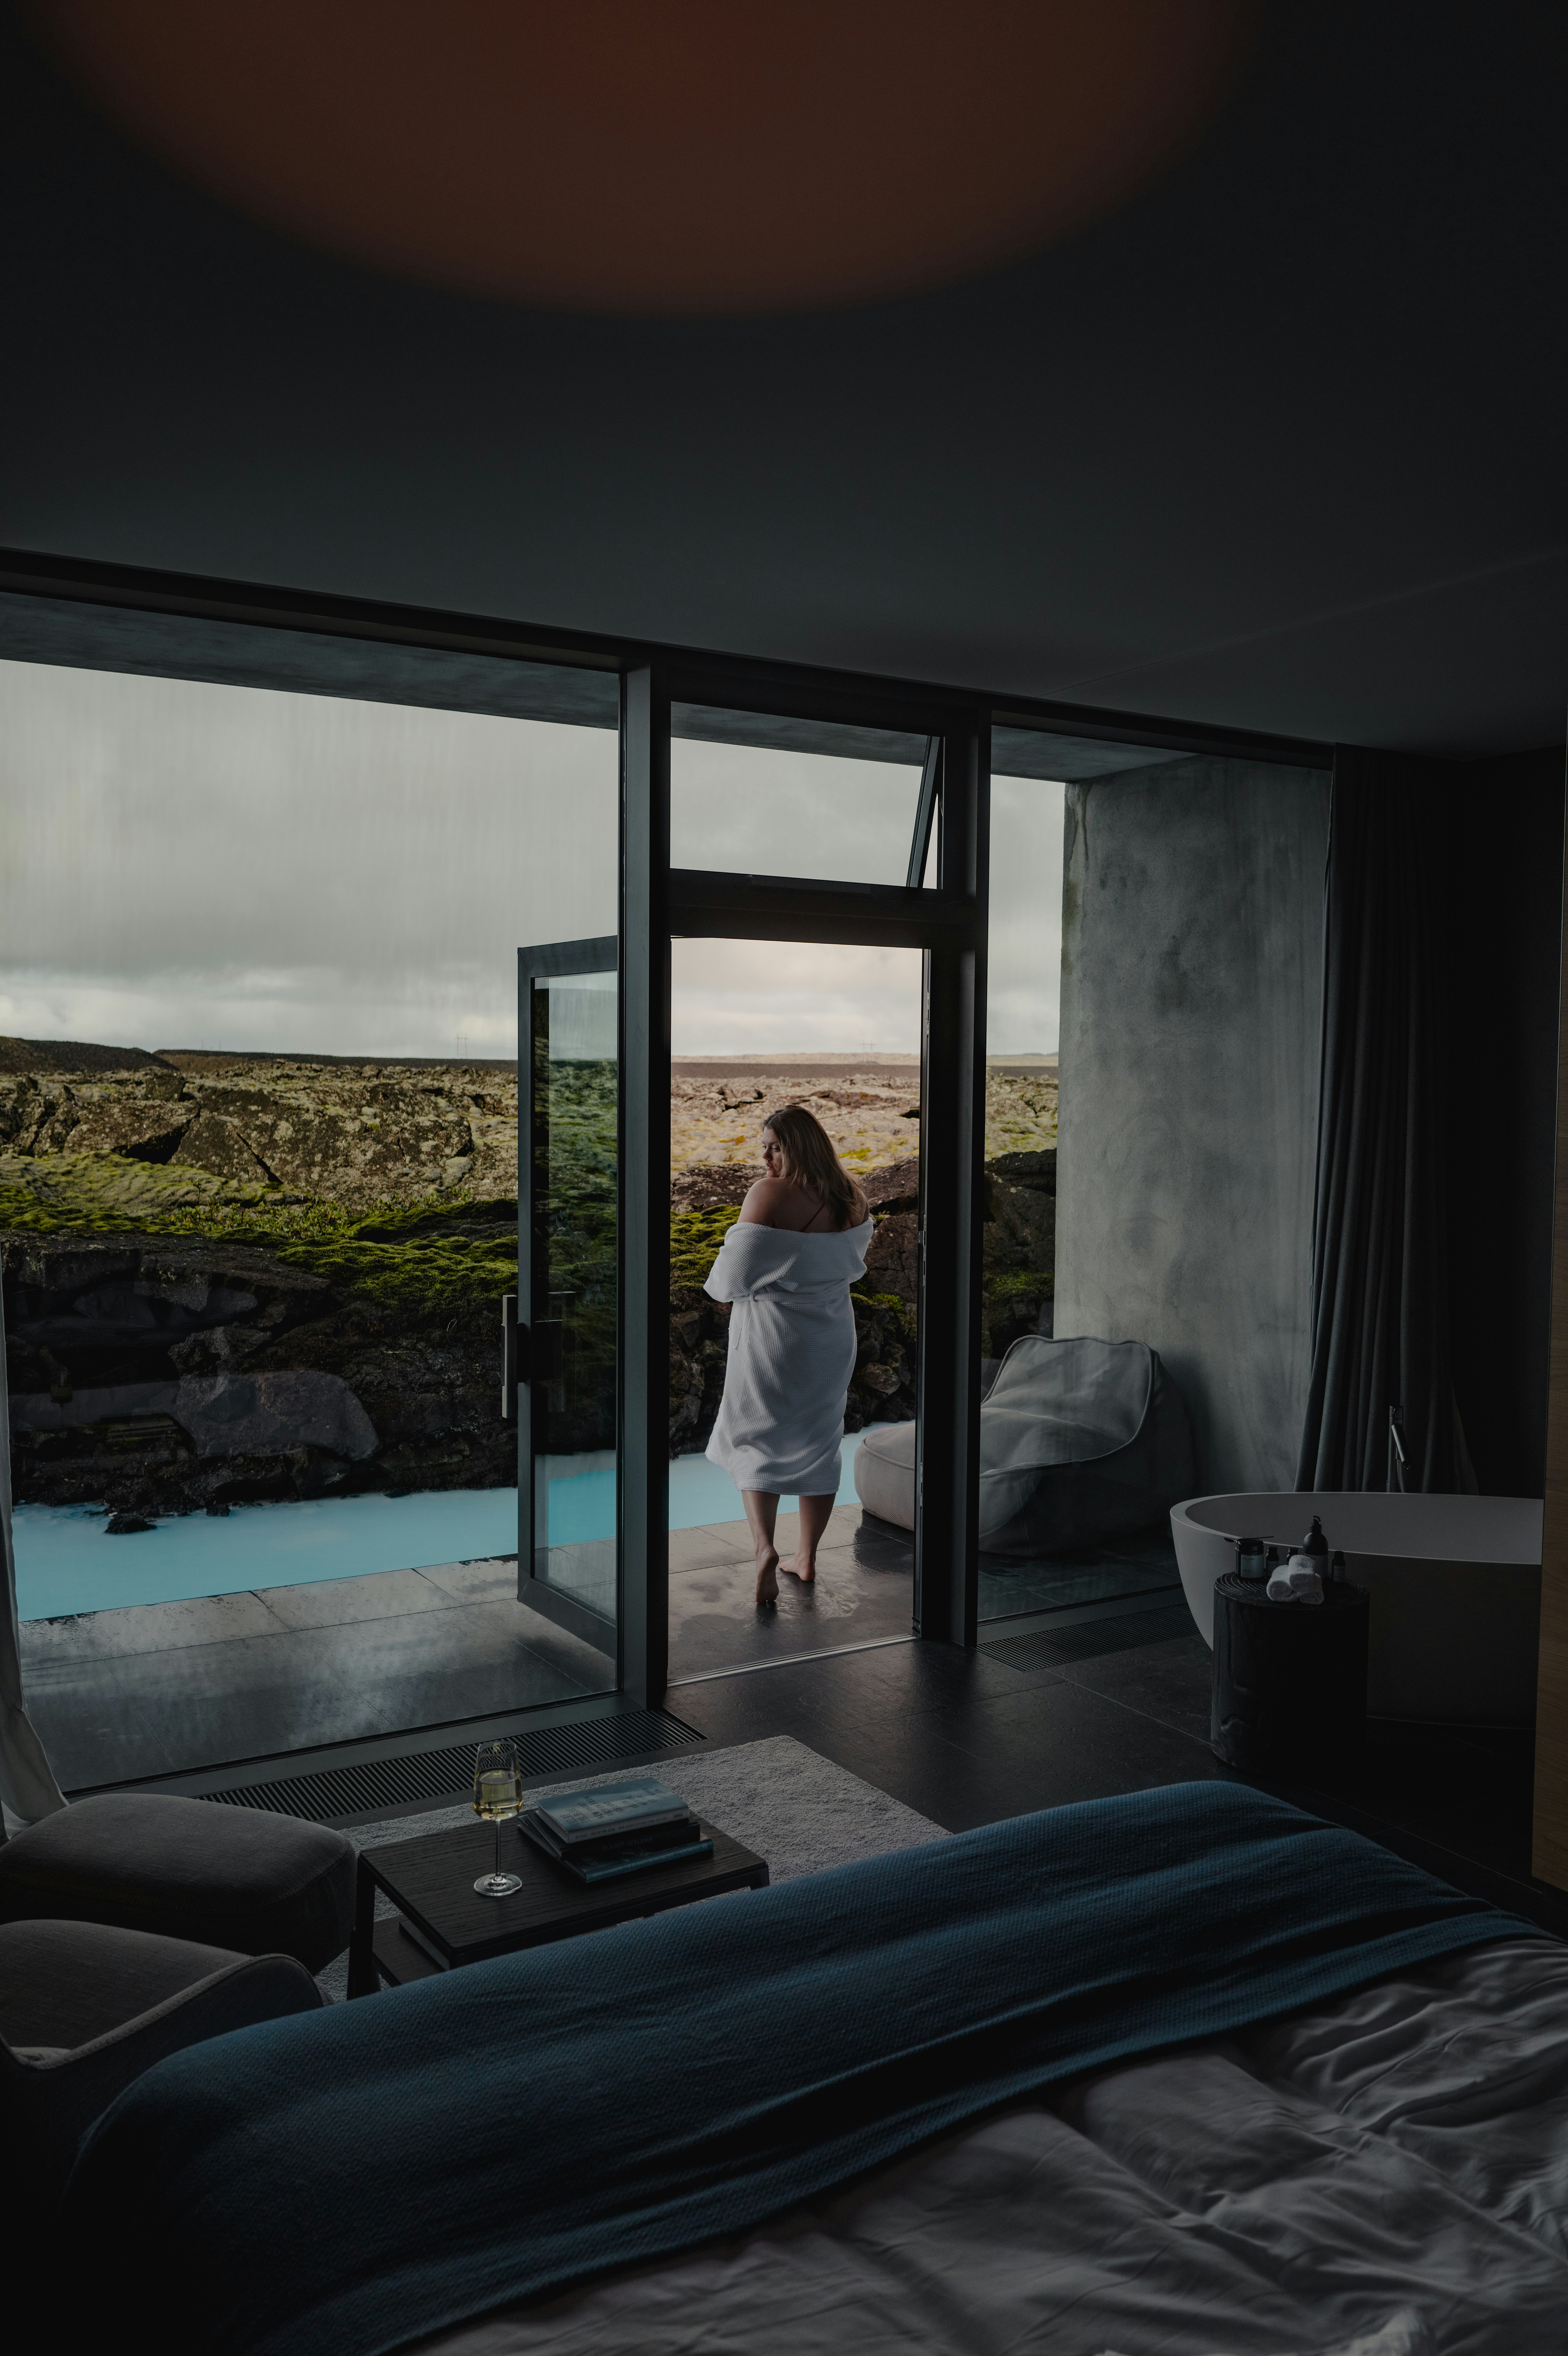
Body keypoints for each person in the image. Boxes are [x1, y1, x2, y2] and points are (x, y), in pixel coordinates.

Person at [703, 1104, 873, 1605]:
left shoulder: (769, 1194)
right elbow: (851, 1264)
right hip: (831, 1336)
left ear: (798, 1146)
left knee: (757, 1436)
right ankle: (809, 1557)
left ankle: (764, 1551)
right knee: (821, 1439)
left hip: (772, 1338)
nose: (765, 1156)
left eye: (774, 1146)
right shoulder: (853, 1197)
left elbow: (730, 1280)